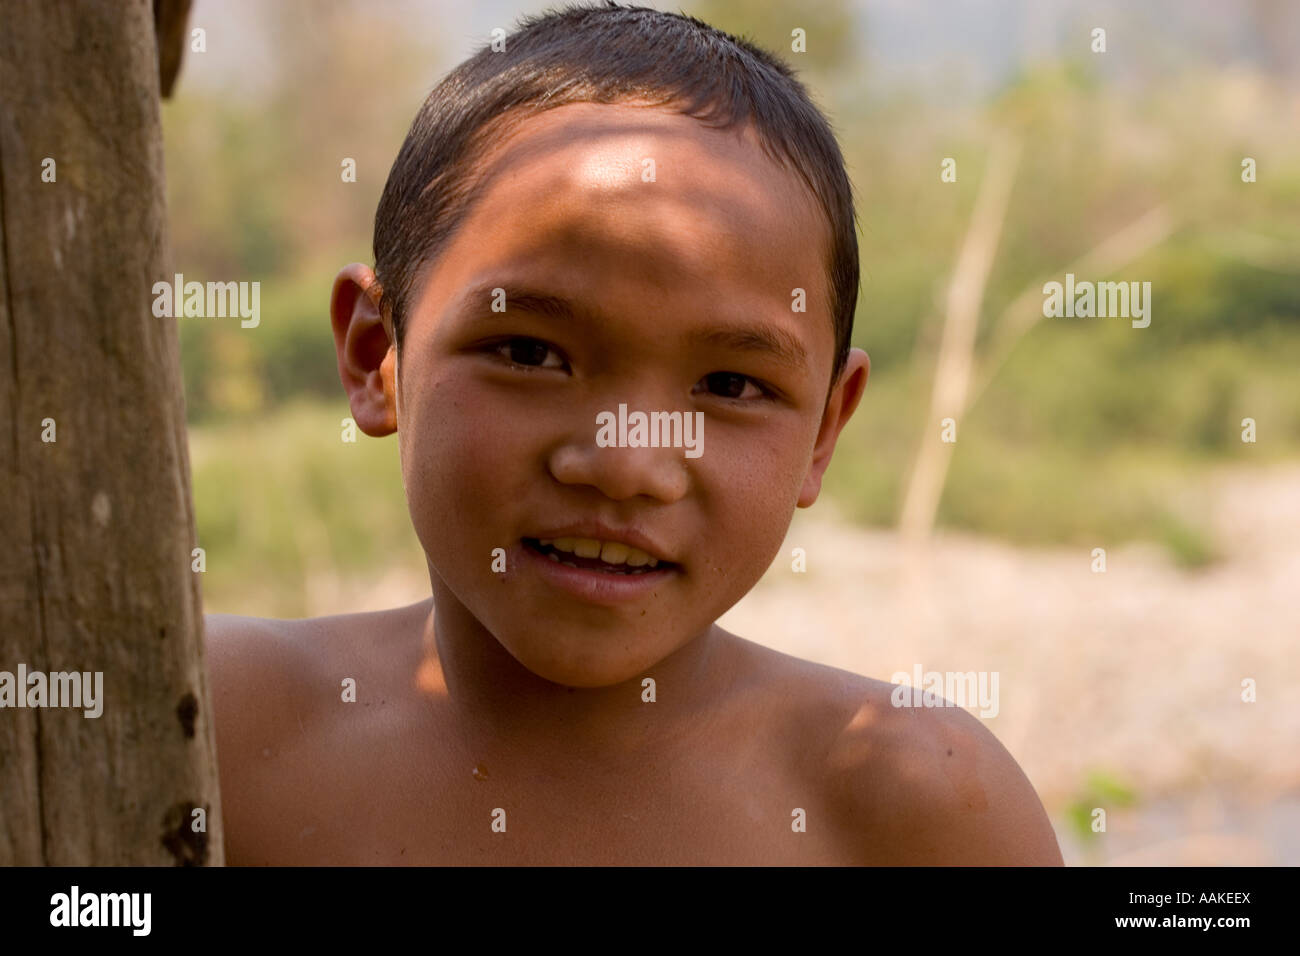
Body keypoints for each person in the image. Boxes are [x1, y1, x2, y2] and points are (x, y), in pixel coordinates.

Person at [207, 1, 1062, 865]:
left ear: (823, 430)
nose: (625, 464)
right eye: (530, 352)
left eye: (731, 384)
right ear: (375, 354)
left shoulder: (914, 803)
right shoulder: (213, 734)